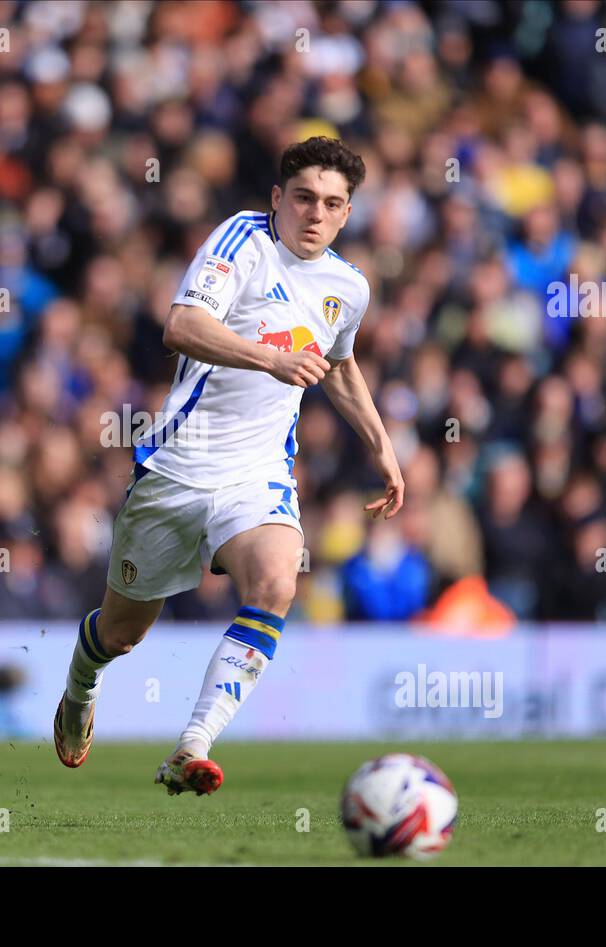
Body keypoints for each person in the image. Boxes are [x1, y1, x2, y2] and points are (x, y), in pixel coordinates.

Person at [53, 137, 404, 794]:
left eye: (332, 204)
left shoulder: (348, 286)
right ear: (278, 199)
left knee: (276, 583)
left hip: (258, 476)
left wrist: (382, 447)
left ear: (348, 212)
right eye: (303, 198)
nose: (314, 214)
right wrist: (270, 359)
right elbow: (182, 325)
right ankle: (80, 686)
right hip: (178, 470)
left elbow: (342, 364)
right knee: (123, 633)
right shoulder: (242, 240)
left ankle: (192, 746)